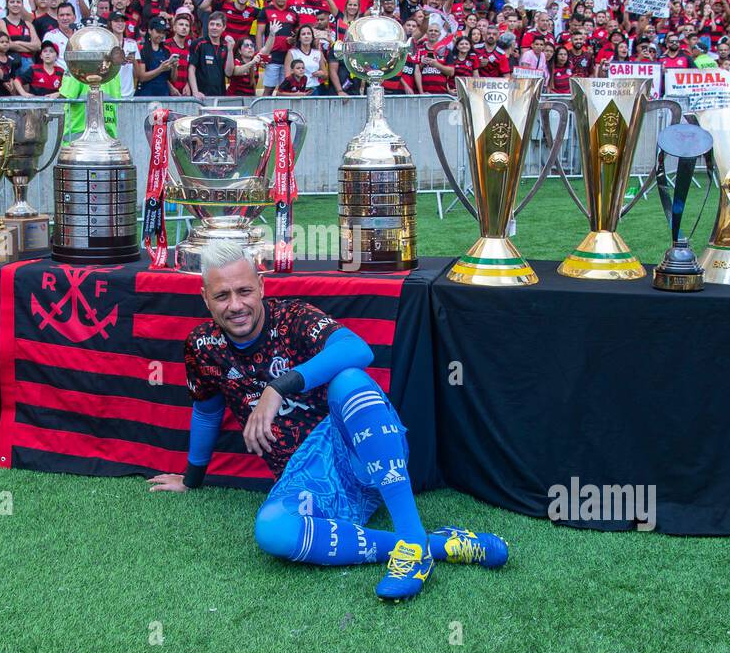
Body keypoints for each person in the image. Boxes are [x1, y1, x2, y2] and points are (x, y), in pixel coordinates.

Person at [148, 242, 509, 602]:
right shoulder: (202, 345)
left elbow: (358, 350)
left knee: (348, 379)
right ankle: (434, 545)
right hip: (308, 483)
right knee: (272, 532)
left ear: (261, 285)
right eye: (222, 295)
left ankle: (413, 546)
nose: (236, 305)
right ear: (205, 298)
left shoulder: (292, 318)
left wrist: (278, 387)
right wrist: (192, 479)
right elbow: (207, 411)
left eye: (244, 291)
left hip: (365, 454)